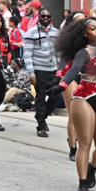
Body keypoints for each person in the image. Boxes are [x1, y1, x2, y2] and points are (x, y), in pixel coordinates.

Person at [52, 17, 96, 191]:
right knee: (85, 143)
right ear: (85, 34)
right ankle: (83, 183)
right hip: (84, 98)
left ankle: (92, 168)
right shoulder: (83, 53)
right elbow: (72, 71)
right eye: (94, 29)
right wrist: (60, 86)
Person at [23, 8, 61, 137]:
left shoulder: (56, 32)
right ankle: (41, 126)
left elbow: (59, 53)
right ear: (39, 18)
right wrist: (31, 74)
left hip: (53, 70)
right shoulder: (31, 33)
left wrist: (60, 70)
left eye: (48, 16)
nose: (45, 18)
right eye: (43, 16)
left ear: (51, 18)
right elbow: (27, 55)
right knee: (40, 97)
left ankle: (42, 116)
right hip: (39, 70)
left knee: (55, 96)